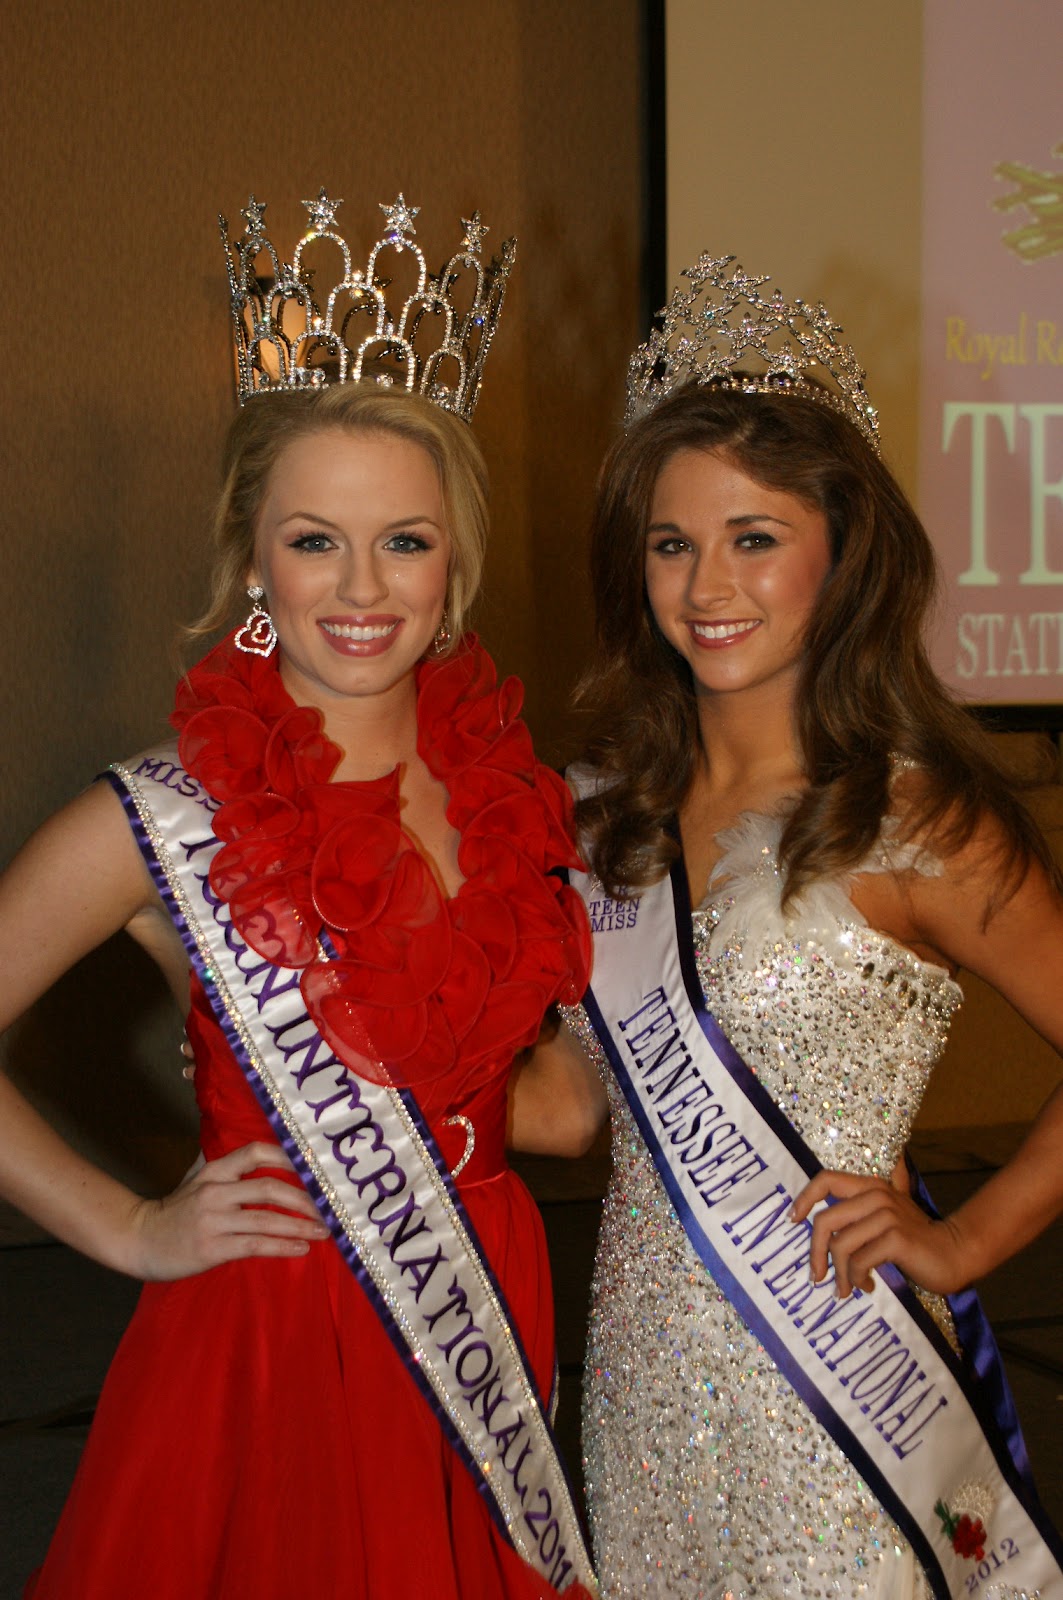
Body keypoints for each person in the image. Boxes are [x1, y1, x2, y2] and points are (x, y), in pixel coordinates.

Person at [5, 194, 598, 1599]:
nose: (362, 586)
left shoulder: (519, 800)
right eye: (315, 539)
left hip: (481, 1308)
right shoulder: (157, 818)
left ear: (456, 562)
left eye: (406, 540)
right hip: (266, 1345)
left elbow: (560, 1108)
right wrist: (130, 1227)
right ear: (252, 558)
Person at [534, 257, 1063, 1599]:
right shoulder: (597, 820)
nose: (708, 583)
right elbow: (570, 1107)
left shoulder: (918, 823)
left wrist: (967, 1243)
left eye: (755, 538)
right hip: (641, 1388)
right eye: (672, 543)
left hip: (841, 1385)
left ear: (844, 552)